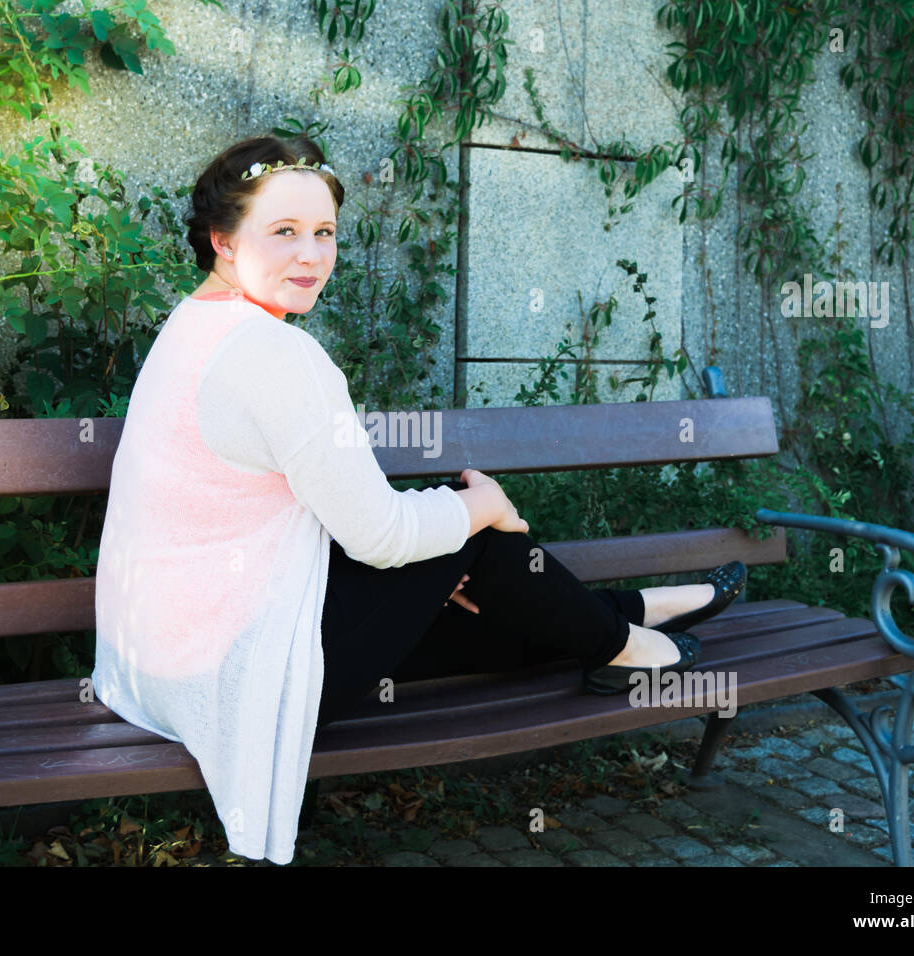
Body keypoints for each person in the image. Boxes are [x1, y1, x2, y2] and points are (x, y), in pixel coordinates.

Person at [92, 134, 745, 866]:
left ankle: (625, 612)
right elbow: (379, 536)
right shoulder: (274, 355)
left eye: (324, 233)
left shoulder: (194, 326)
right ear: (223, 239)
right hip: (238, 674)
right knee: (480, 545)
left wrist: (438, 550)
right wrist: (485, 506)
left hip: (164, 664)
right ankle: (619, 645)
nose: (311, 255)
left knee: (463, 592)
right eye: (283, 232)